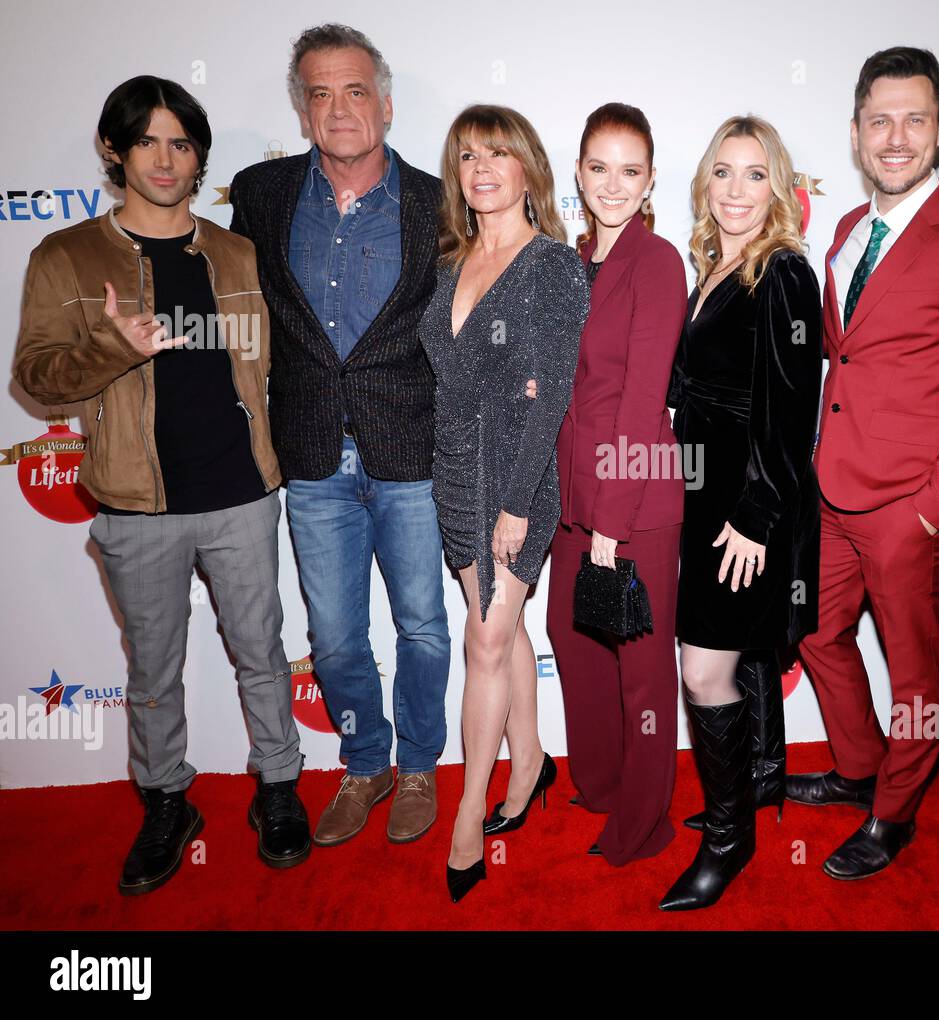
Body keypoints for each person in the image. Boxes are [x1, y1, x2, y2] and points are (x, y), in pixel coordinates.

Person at [13, 76, 310, 893]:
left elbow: (267, 366)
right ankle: (167, 801)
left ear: (198, 154)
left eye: (181, 142)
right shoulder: (66, 257)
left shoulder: (236, 252)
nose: (166, 159)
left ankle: (278, 787)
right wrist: (117, 347)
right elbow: (36, 378)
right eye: (147, 141)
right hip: (136, 504)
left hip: (243, 496)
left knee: (262, 653)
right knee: (151, 673)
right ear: (114, 151)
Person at [794, 48, 939, 881]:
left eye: (914, 119)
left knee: (916, 676)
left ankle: (894, 812)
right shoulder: (851, 231)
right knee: (818, 635)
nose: (896, 138)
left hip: (909, 508)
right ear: (856, 134)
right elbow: (844, 361)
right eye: (880, 121)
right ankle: (858, 767)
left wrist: (937, 505)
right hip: (831, 491)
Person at [228, 24, 450, 848]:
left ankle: (421, 763)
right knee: (331, 636)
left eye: (356, 90)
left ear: (386, 104)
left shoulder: (437, 201)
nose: (340, 108)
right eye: (320, 93)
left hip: (411, 452)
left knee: (424, 623)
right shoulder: (262, 195)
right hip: (312, 450)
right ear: (301, 110)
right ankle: (366, 764)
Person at [418, 104, 588, 903]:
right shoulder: (450, 263)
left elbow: (550, 393)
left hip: (517, 473)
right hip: (453, 470)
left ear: (528, 169)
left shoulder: (552, 264)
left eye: (498, 153)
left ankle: (466, 819)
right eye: (467, 157)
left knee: (481, 644)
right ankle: (530, 763)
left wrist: (518, 502)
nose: (480, 169)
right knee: (503, 628)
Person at [659, 115, 823, 911]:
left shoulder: (783, 273)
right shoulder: (715, 265)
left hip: (746, 499)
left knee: (705, 667)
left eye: (755, 175)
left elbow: (793, 409)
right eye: (723, 172)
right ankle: (759, 786)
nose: (736, 190)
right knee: (747, 656)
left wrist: (757, 514)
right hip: (704, 489)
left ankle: (729, 841)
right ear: (704, 183)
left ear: (779, 188)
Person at [549, 103, 687, 865]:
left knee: (640, 663)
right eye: (598, 167)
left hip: (633, 500)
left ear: (650, 179)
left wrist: (611, 519)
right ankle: (601, 782)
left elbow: (642, 396)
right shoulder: (571, 262)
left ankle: (643, 818)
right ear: (578, 172)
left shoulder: (657, 262)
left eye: (629, 170)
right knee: (570, 636)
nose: (612, 183)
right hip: (574, 497)